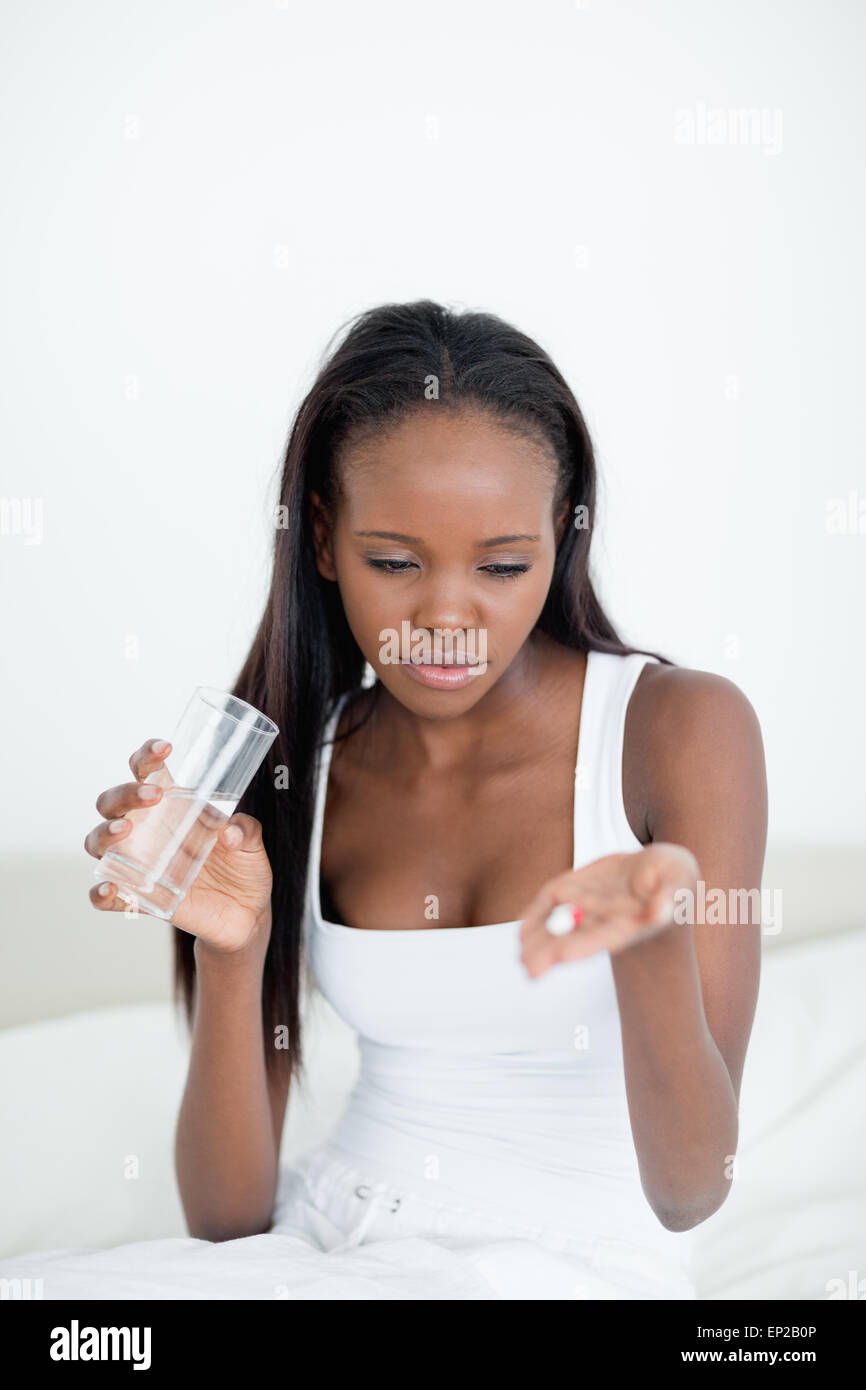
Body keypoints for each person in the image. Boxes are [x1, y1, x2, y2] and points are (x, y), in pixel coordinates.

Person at [78, 299, 766, 1300]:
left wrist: (652, 935)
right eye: (392, 562)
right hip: (326, 1243)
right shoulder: (298, 758)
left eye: (501, 566)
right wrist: (236, 950)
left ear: (561, 541)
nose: (446, 617)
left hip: (573, 1268)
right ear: (321, 539)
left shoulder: (677, 730)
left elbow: (691, 1189)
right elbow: (224, 1226)